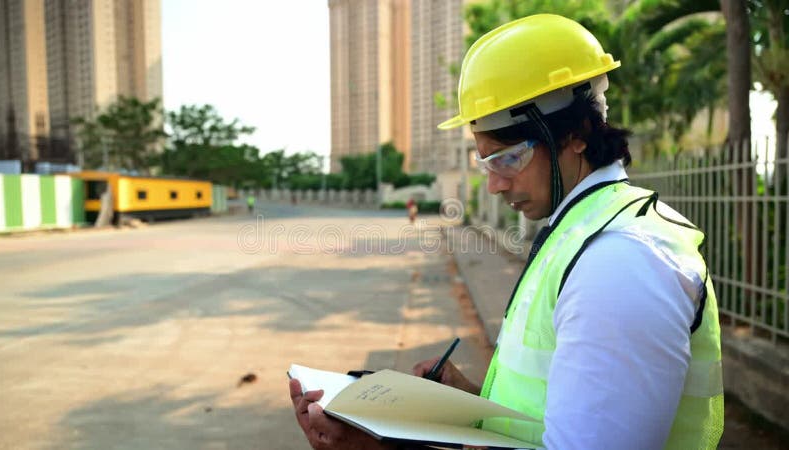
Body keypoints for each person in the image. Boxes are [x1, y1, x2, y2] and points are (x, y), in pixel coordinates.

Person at [290, 14, 723, 450]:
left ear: (577, 133)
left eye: (507, 159)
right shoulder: (579, 231)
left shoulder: (622, 262)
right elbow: (555, 419)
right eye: (486, 163)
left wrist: (379, 448)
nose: (494, 185)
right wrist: (472, 403)